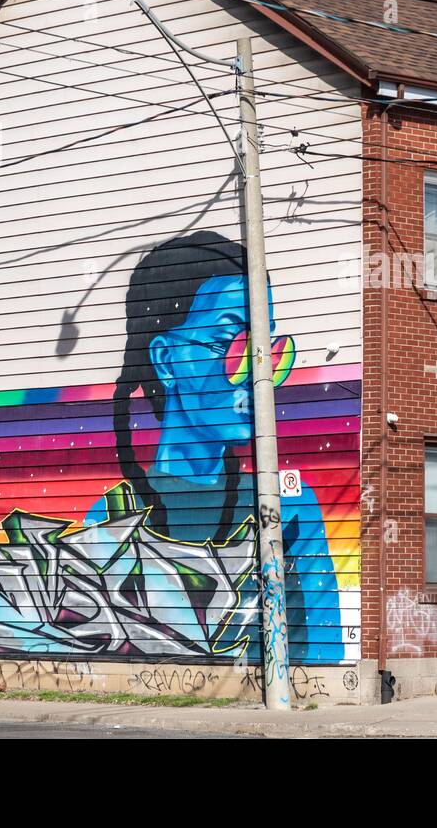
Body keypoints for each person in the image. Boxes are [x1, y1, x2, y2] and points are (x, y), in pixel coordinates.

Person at [102, 230, 344, 663]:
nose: (256, 375)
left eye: (264, 349)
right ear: (166, 359)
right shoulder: (112, 514)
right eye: (227, 343)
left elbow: (324, 649)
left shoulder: (291, 505)